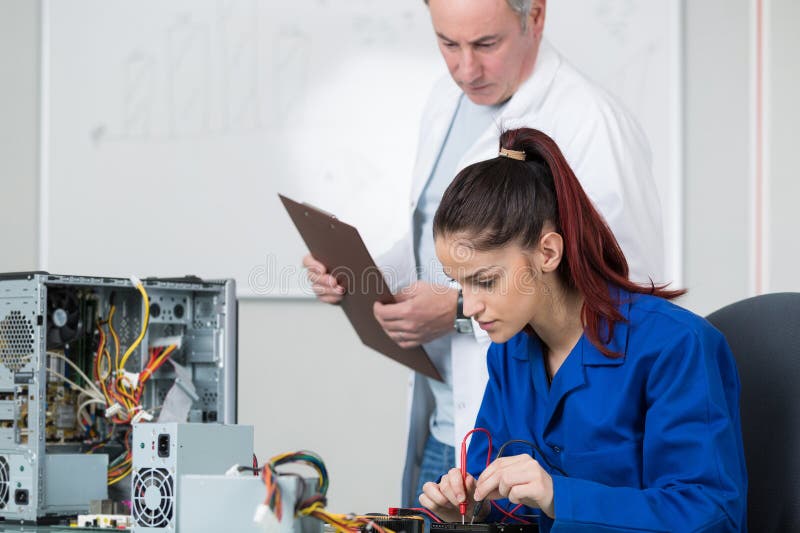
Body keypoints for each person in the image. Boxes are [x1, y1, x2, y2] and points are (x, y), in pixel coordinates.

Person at [304, 0, 666, 507]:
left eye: (485, 45)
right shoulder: (445, 102)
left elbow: (627, 287)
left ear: (534, 17)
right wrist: (361, 274)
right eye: (448, 44)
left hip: (539, 441)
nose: (465, 69)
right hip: (449, 425)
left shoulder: (593, 123)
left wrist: (455, 310)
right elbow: (441, 241)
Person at [418, 127, 747, 532]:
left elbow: (709, 514)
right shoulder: (508, 354)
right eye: (459, 283)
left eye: (485, 281)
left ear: (548, 252)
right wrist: (472, 508)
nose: (469, 307)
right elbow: (505, 503)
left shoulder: (676, 346)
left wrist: (559, 496)